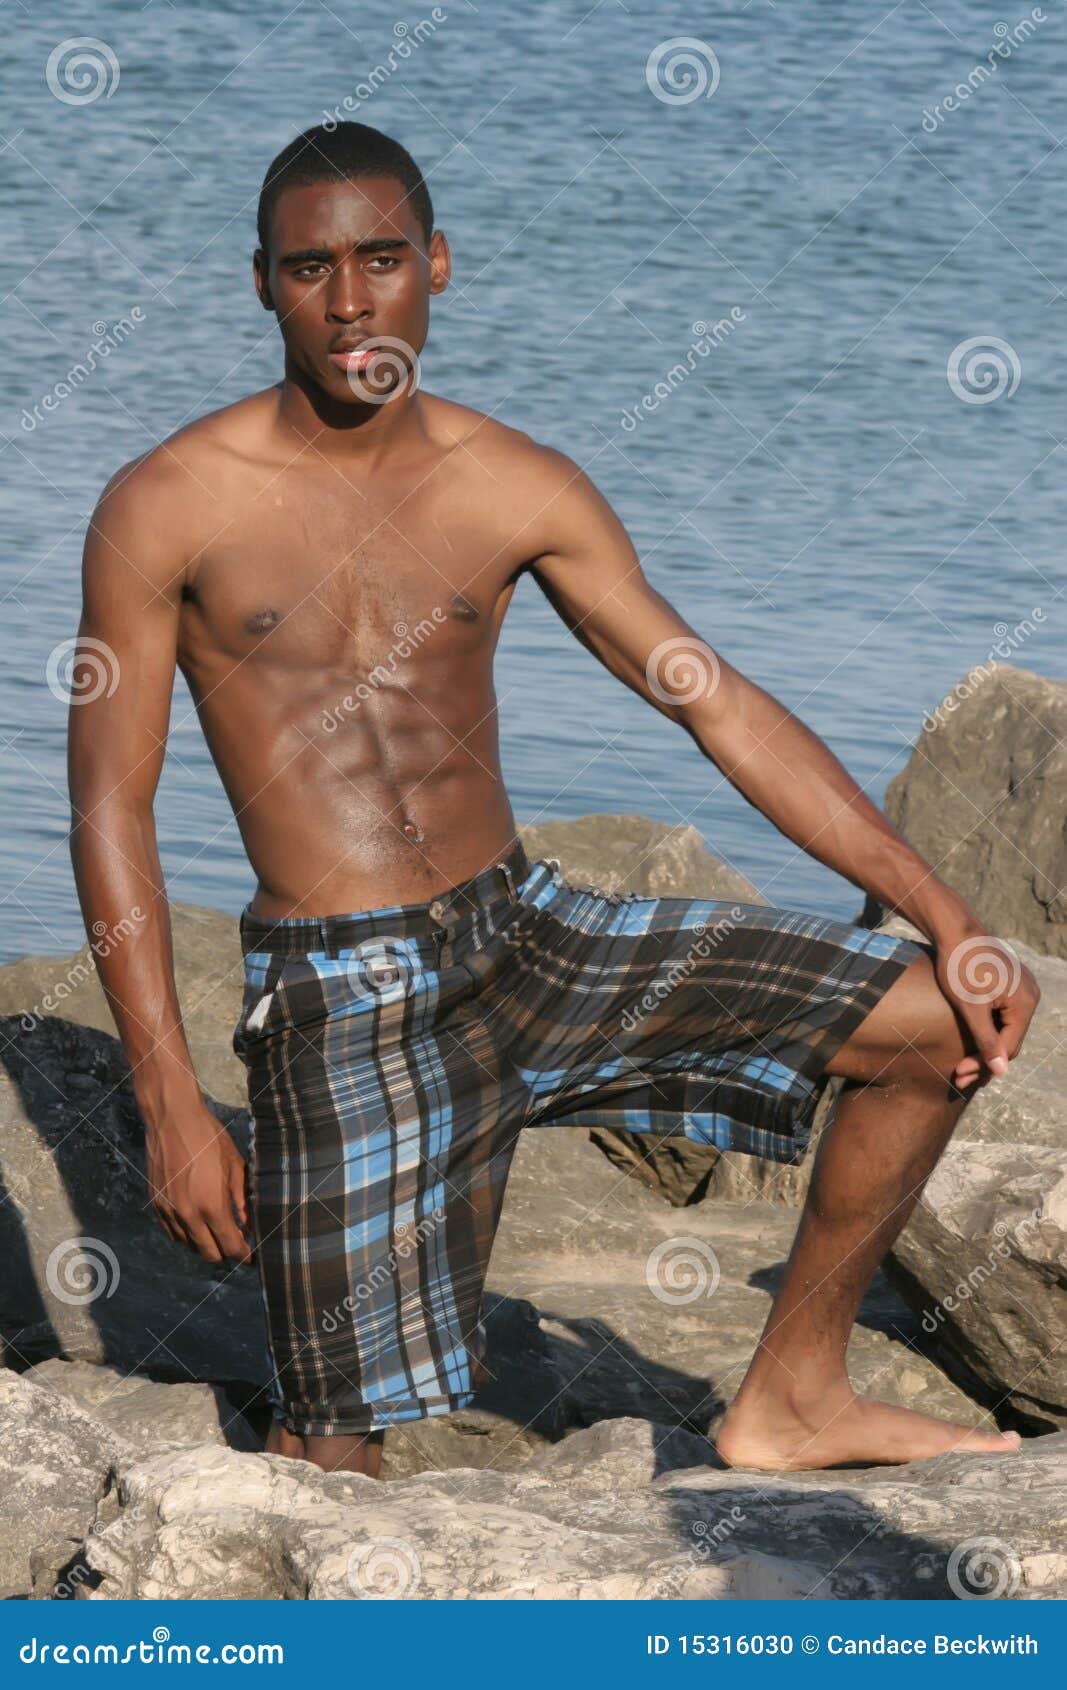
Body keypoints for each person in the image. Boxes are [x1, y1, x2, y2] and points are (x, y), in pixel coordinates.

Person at [68, 121, 1040, 1481]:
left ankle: (797, 1395)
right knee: (329, 1454)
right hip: (342, 1001)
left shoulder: (516, 482)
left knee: (938, 1021)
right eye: (311, 269)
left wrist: (944, 906)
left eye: (384, 259)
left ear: (441, 265)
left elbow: (714, 701)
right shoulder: (165, 505)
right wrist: (169, 1096)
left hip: (531, 937)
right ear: (260, 285)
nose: (352, 301)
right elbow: (111, 808)